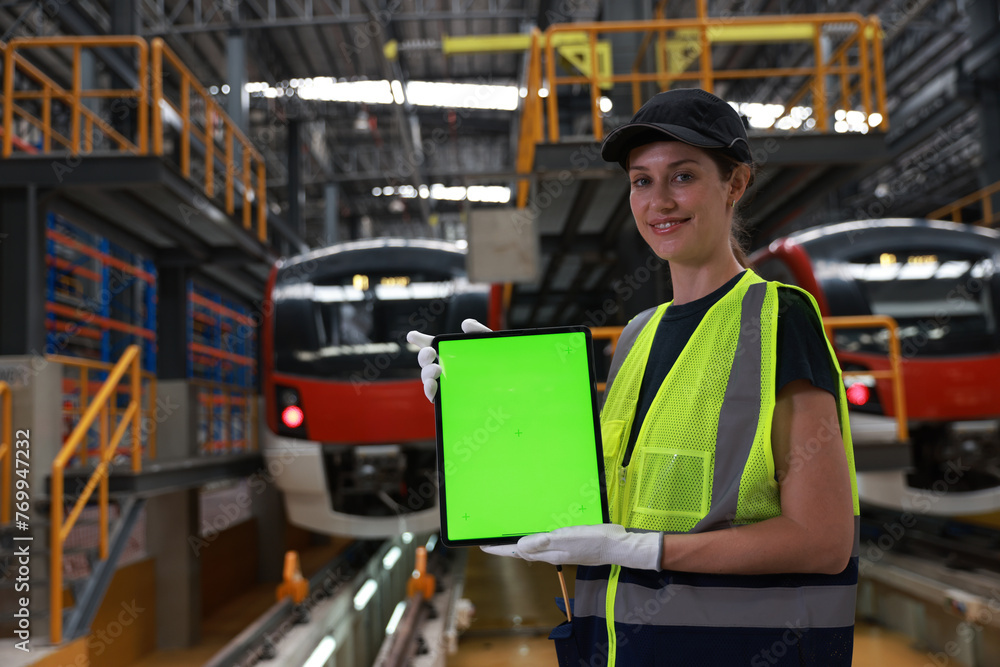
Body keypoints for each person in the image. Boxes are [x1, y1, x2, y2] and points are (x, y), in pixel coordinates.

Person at [407, 88, 859, 666]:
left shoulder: (779, 319)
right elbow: (607, 493)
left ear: (736, 183)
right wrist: (497, 392)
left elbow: (822, 541)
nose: (660, 200)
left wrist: (643, 550)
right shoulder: (635, 338)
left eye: (684, 176)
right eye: (641, 181)